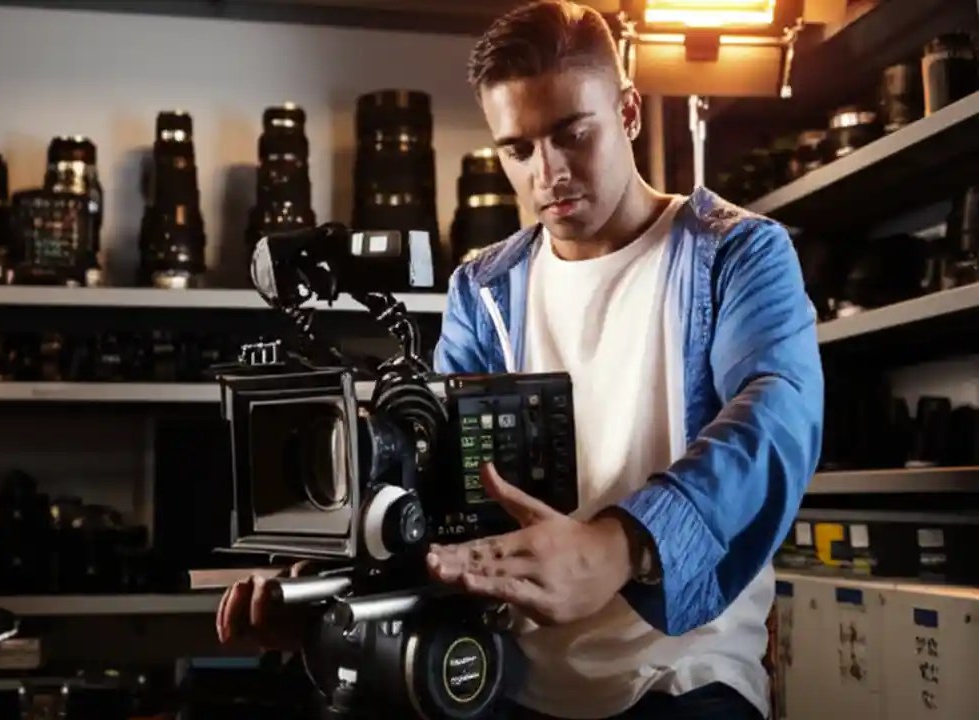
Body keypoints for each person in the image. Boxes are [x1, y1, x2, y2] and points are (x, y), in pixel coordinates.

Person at [215, 1, 824, 719]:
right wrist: (331, 599)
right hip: (509, 669)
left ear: (628, 111)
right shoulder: (483, 288)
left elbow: (776, 414)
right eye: (518, 150)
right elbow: (440, 487)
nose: (548, 173)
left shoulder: (735, 252)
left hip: (686, 670)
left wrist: (622, 545)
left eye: (573, 135)